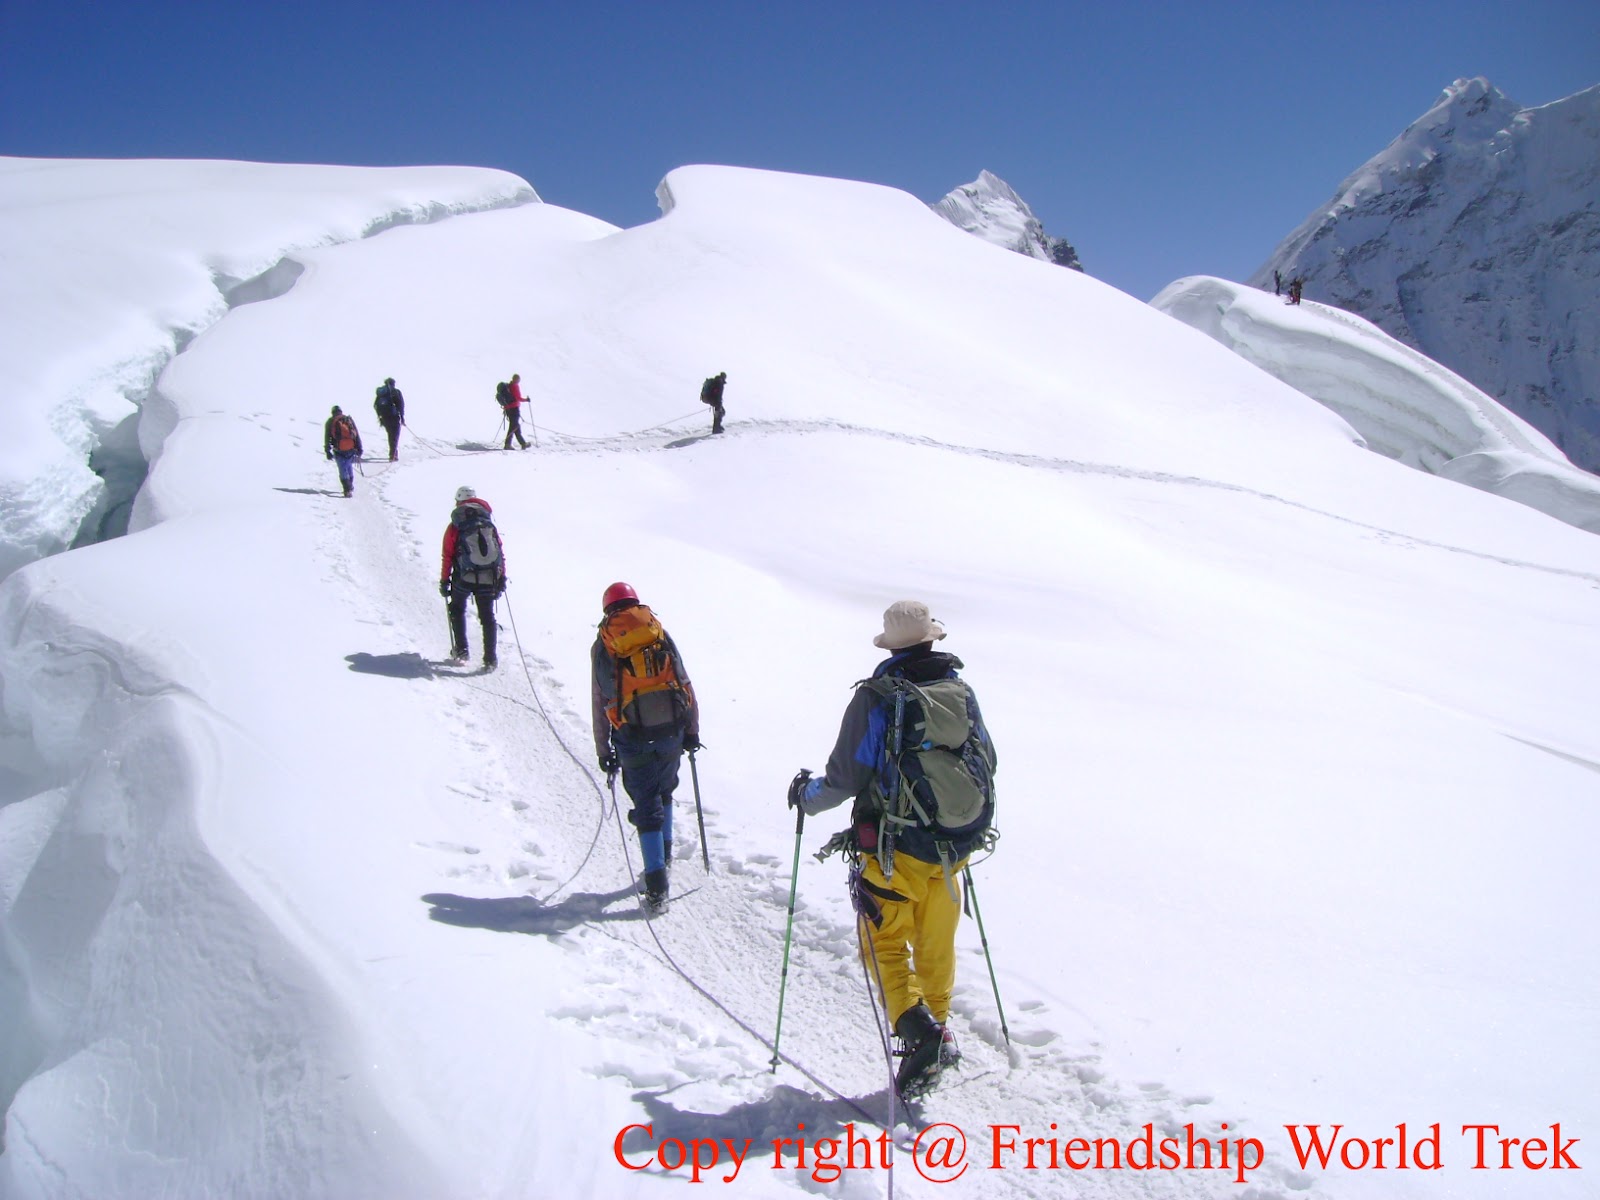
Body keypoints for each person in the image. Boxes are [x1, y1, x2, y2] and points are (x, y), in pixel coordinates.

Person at [790, 600, 996, 1097]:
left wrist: (805, 796)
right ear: (931, 639)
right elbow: (987, 758)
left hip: (894, 846)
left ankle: (917, 1029)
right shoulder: (960, 691)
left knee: (883, 938)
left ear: (891, 645)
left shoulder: (878, 698)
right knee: (936, 939)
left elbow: (844, 778)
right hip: (954, 845)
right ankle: (939, 1028)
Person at [591, 583, 700, 915]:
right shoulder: (658, 634)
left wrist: (602, 747)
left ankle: (656, 887)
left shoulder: (604, 645)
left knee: (645, 800)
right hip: (671, 729)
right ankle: (664, 858)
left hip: (632, 734)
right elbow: (684, 681)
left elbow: (600, 700)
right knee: (664, 791)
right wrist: (692, 729)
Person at [439, 486, 505, 669]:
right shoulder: (487, 523)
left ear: (458, 501)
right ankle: (490, 658)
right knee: (487, 617)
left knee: (457, 609)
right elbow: (499, 551)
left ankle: (462, 649)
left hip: (463, 577)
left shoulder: (456, 525)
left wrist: (445, 580)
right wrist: (501, 577)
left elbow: (448, 555)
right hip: (488, 576)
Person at [323, 405, 363, 497]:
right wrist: (359, 448)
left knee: (342, 468)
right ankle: (350, 485)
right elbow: (356, 434)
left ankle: (347, 489)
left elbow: (327, 437)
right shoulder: (348, 420)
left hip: (338, 449)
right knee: (349, 466)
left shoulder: (330, 422)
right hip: (351, 448)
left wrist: (327, 451)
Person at [374, 377, 405, 461]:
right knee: (395, 436)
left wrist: (380, 416)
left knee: (390, 435)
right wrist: (402, 417)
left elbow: (375, 405)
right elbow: (401, 405)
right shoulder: (396, 392)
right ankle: (393, 454)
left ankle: (392, 453)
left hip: (385, 418)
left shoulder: (381, 394)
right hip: (394, 417)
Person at [498, 376, 530, 450]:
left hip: (508, 409)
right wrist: (526, 400)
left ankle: (523, 443)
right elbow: (518, 398)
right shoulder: (514, 386)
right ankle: (507, 444)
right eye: (518, 379)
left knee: (515, 426)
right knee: (513, 427)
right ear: (516, 379)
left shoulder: (509, 386)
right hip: (514, 409)